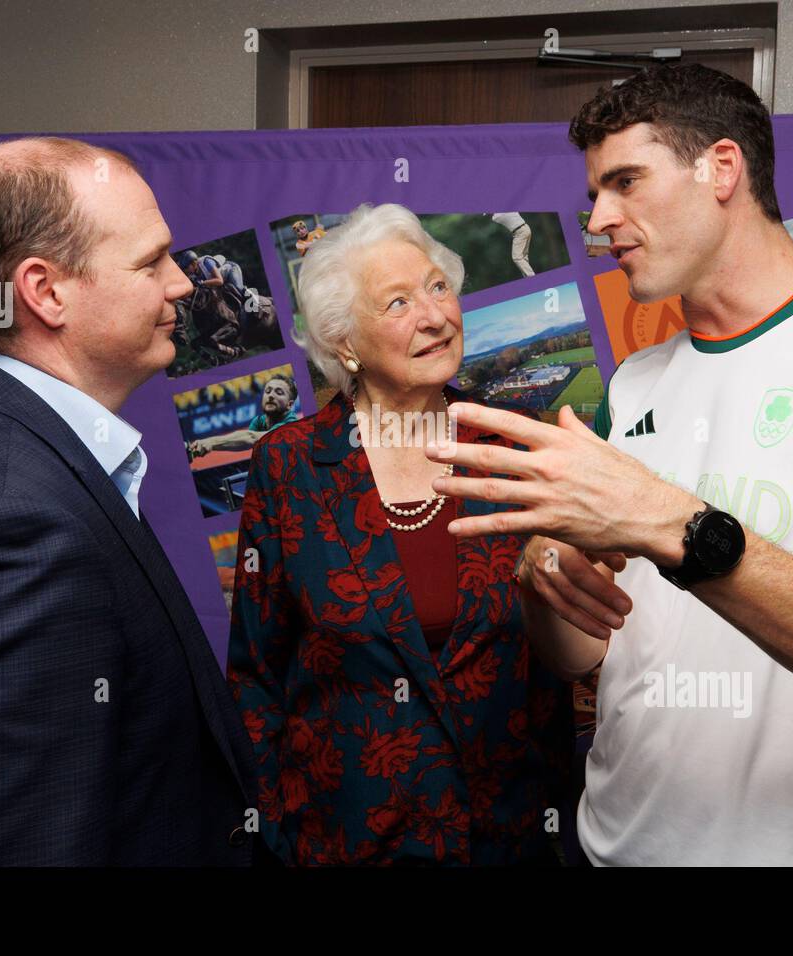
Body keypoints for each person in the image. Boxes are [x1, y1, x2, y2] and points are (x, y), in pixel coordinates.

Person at [426, 65, 793, 866]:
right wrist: (547, 579)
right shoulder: (634, 381)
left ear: (722, 168)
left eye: (626, 181)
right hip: (608, 850)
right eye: (595, 193)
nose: (599, 220)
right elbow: (586, 654)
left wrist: (674, 524)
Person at [0, 137, 264, 866]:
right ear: (46, 292)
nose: (184, 284)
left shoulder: (23, 461)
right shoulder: (8, 523)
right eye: (150, 262)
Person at [227, 202, 574, 866]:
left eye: (437, 287)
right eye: (397, 303)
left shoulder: (514, 447)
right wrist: (282, 836)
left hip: (506, 840)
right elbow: (254, 677)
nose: (434, 316)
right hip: (348, 843)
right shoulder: (289, 465)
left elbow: (551, 671)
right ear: (345, 344)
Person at [188, 373, 300, 457]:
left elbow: (251, 438)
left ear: (289, 405)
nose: (271, 395)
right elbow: (242, 442)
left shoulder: (291, 424)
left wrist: (211, 442)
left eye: (279, 392)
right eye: (268, 391)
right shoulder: (259, 421)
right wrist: (204, 446)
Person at [487, 211, 535, 276]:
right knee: (523, 257)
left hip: (519, 233)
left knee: (517, 257)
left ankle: (531, 276)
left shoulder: (496, 217)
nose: (489, 215)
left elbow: (495, 215)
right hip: (526, 228)